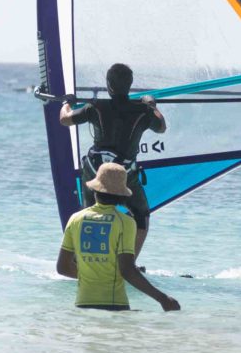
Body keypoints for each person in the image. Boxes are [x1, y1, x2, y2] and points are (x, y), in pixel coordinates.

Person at [59, 62, 166, 260]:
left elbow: (65, 119)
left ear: (108, 85)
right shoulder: (143, 111)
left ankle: (82, 259)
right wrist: (151, 105)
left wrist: (67, 102)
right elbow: (161, 127)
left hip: (95, 170)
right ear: (130, 85)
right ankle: (127, 263)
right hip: (124, 174)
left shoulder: (96, 107)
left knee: (89, 213)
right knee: (141, 218)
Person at [56, 163, 180, 312]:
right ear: (121, 196)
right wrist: (162, 298)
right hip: (114, 306)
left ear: (95, 190)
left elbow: (62, 267)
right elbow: (127, 269)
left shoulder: (75, 219)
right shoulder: (125, 223)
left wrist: (91, 277)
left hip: (83, 306)